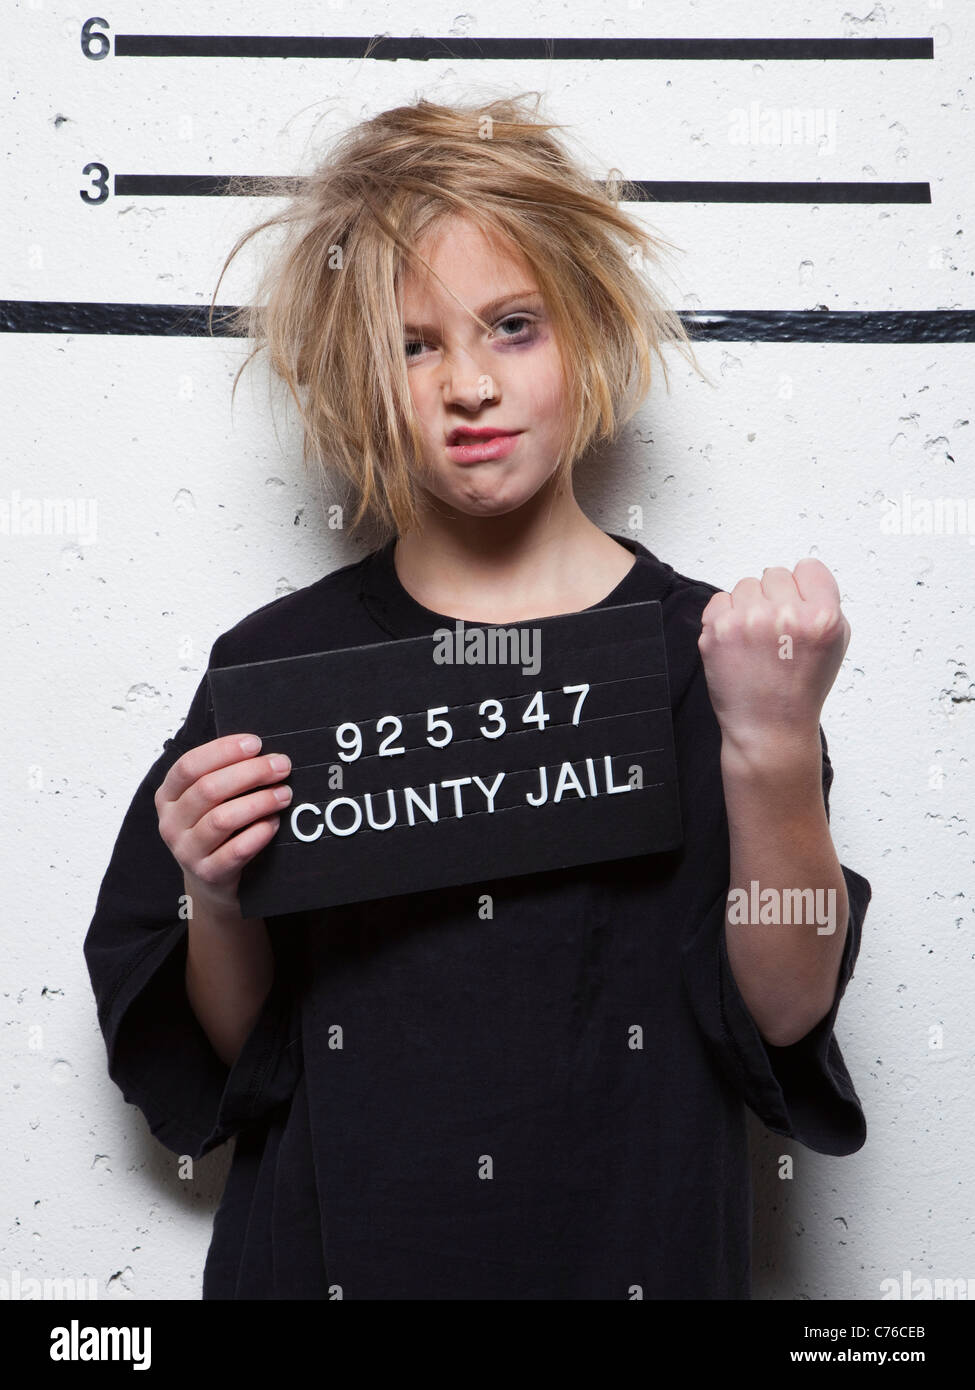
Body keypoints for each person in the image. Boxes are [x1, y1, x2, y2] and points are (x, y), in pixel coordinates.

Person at [84, 94, 871, 1300]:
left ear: (590, 332)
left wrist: (771, 745)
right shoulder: (275, 673)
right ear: (360, 374)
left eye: (513, 326)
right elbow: (236, 1058)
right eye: (415, 344)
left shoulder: (715, 656)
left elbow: (783, 1011)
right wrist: (213, 892)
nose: (467, 386)